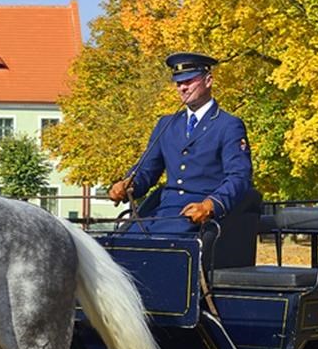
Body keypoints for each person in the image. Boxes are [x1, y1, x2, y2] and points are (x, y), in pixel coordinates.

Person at [108, 52, 253, 234]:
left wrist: (211, 205)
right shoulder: (166, 124)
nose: (183, 88)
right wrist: (128, 184)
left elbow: (239, 177)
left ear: (208, 81)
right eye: (178, 83)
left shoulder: (228, 125)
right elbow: (147, 170)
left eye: (189, 81)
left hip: (200, 217)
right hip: (162, 213)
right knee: (115, 242)